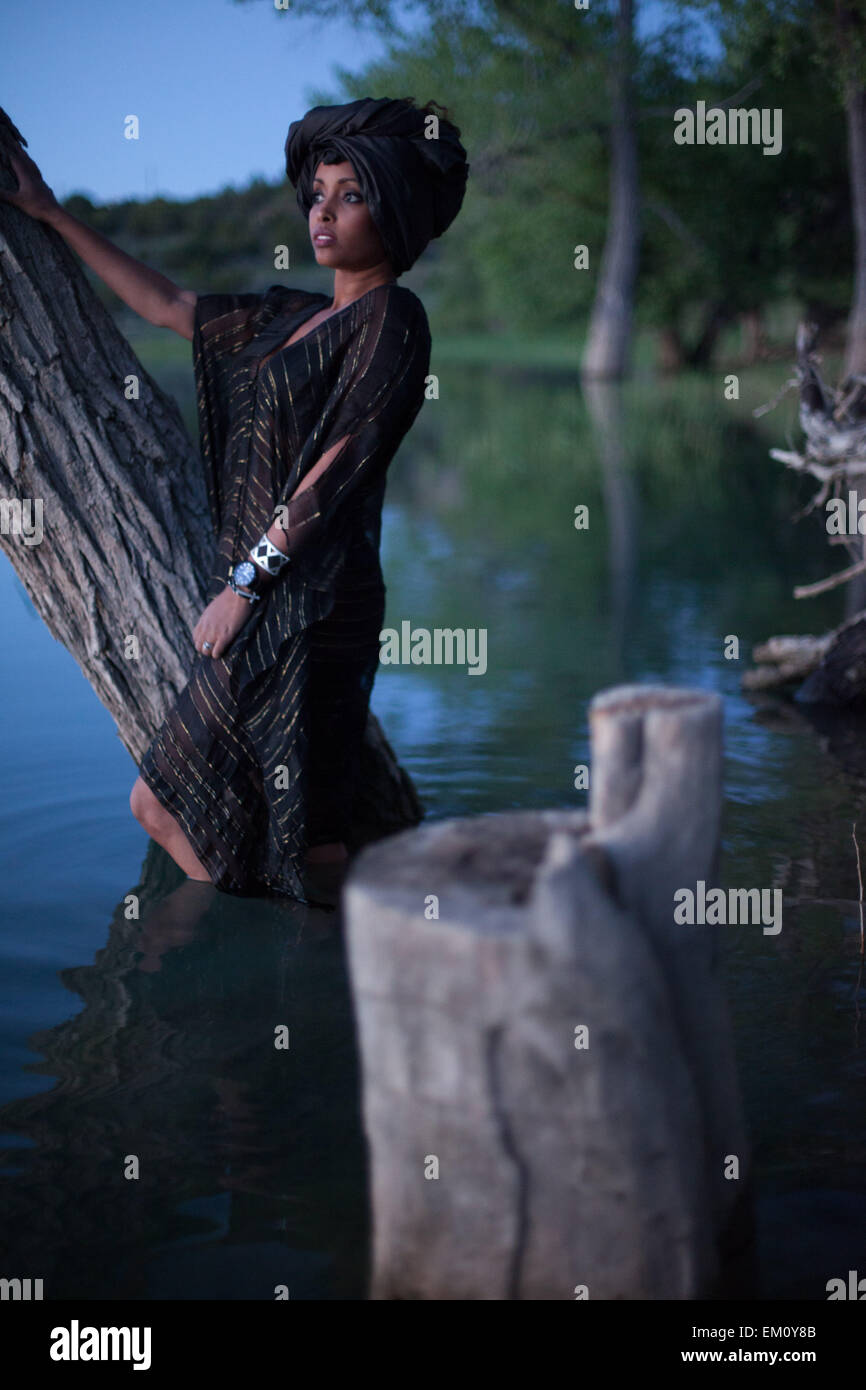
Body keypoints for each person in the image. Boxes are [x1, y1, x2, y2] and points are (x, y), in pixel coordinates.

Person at [1, 96, 469, 905]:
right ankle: (318, 971)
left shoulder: (393, 317)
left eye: (350, 194)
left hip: (313, 602)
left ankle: (273, 961)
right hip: (274, 596)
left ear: (392, 208)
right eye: (317, 193)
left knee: (165, 804)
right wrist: (50, 213)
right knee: (310, 831)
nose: (323, 212)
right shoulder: (288, 314)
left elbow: (339, 463)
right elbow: (171, 306)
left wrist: (245, 586)